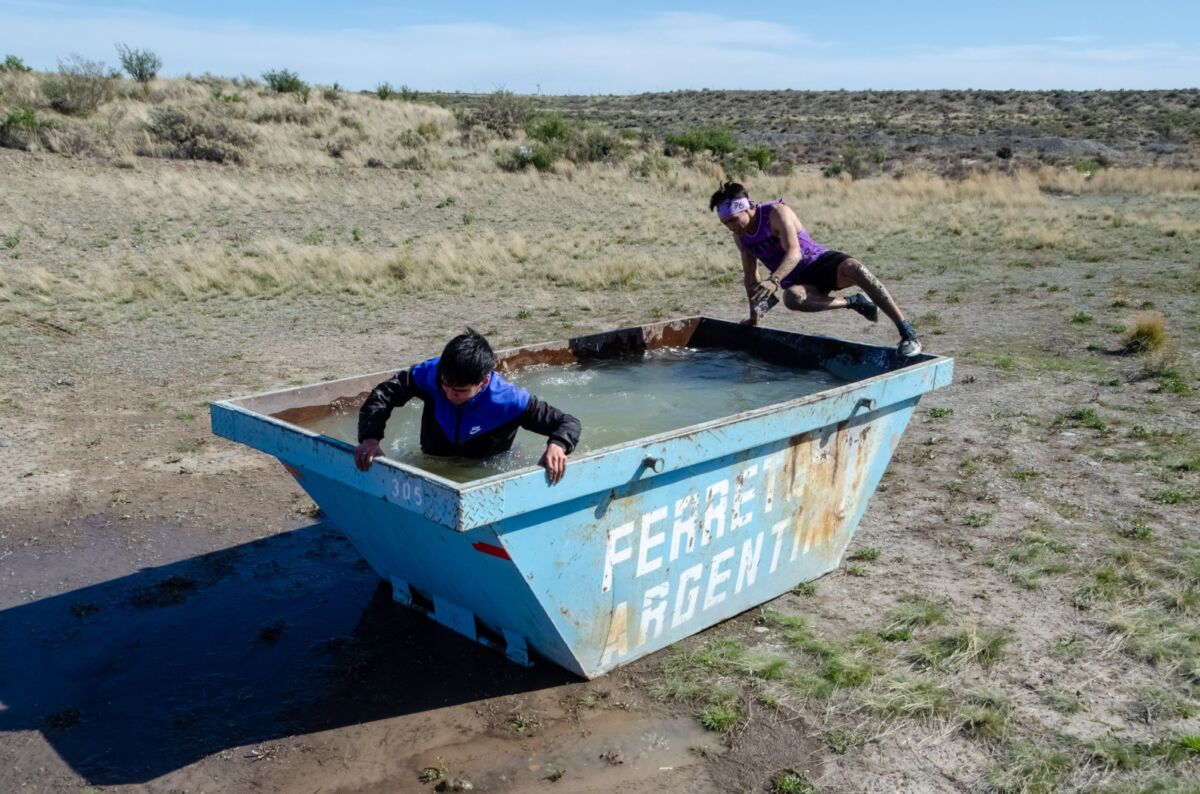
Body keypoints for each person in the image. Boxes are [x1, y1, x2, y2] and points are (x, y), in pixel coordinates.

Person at [709, 181, 922, 357]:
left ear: (747, 207)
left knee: (856, 268)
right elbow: (751, 279)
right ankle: (853, 302)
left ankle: (907, 332)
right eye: (725, 223)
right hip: (799, 282)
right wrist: (755, 319)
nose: (731, 227)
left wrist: (773, 280)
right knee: (792, 299)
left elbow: (794, 252)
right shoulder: (741, 238)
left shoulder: (775, 213)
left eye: (734, 220)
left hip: (820, 262)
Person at [354, 329, 581, 484]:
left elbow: (567, 422)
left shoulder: (509, 400)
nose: (449, 394)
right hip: (434, 460)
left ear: (483, 381)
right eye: (445, 385)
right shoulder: (430, 375)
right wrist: (370, 438)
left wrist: (557, 445)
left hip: (484, 468)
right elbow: (384, 393)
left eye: (460, 391)